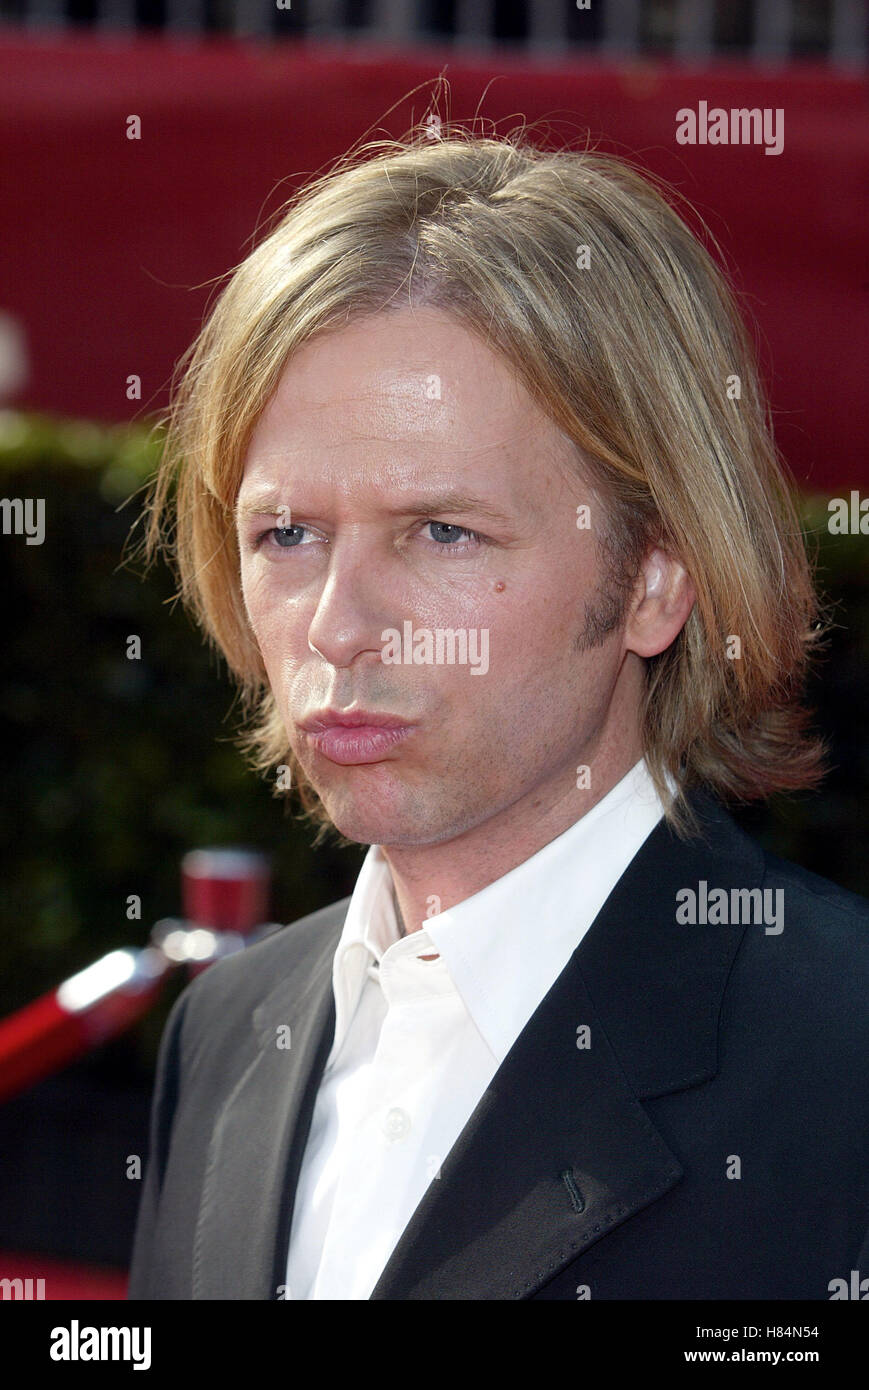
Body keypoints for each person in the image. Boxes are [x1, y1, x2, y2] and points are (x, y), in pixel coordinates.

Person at [127, 127, 869, 1300]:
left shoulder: (839, 1062)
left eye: (441, 531)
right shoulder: (224, 1034)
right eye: (285, 533)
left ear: (653, 578)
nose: (334, 625)